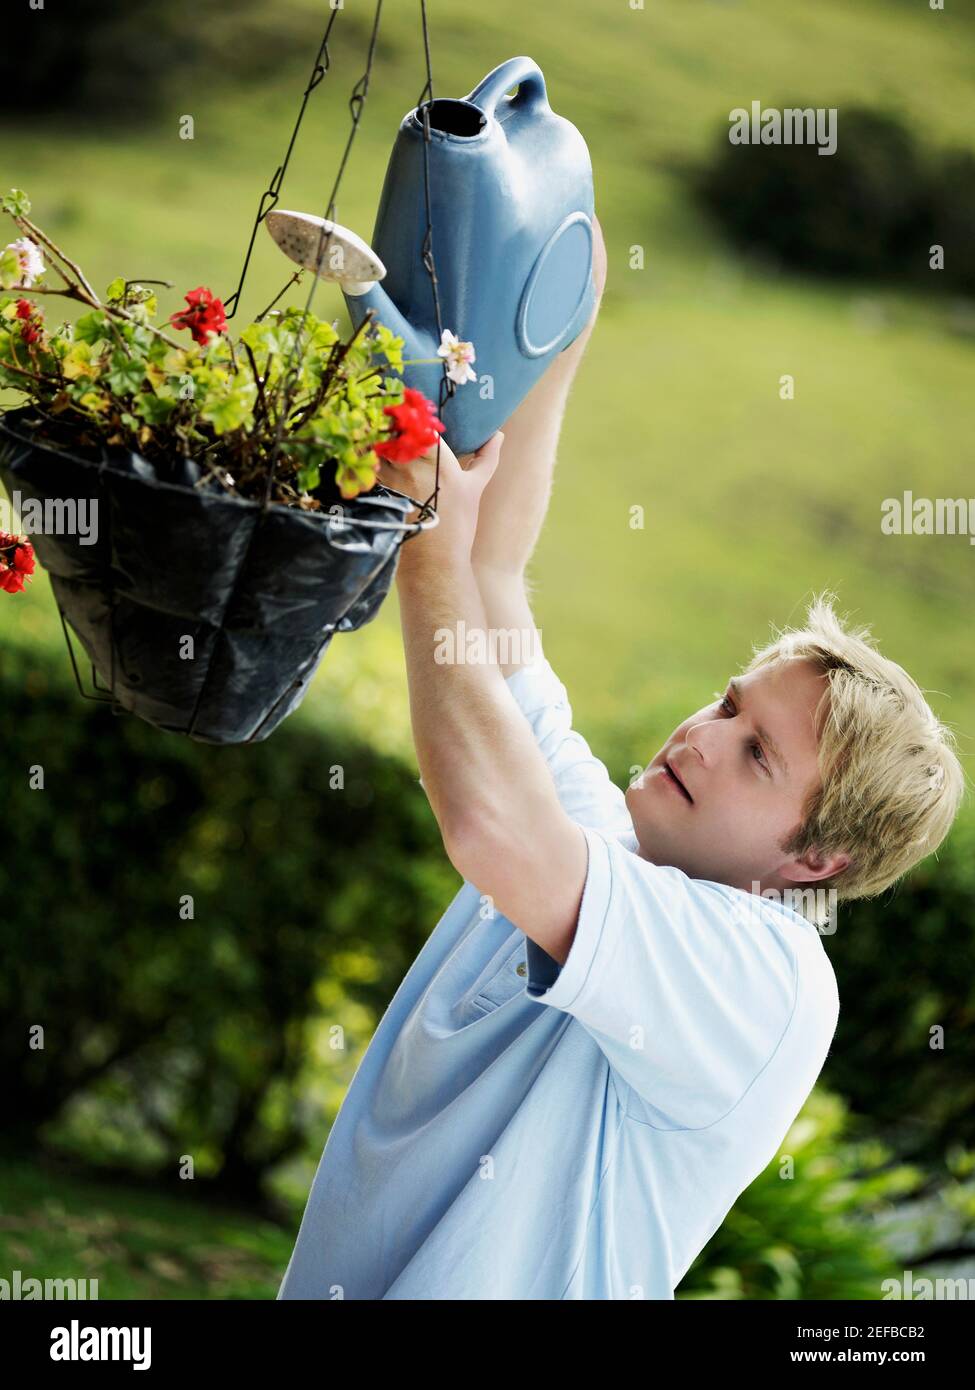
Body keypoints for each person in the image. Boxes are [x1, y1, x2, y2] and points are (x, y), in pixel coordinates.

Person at [277, 216, 966, 1300]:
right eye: (727, 702)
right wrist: (566, 322)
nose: (703, 734)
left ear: (814, 862)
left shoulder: (772, 985)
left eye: (757, 754)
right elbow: (497, 573)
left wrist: (423, 540)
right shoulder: (598, 837)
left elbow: (497, 830)